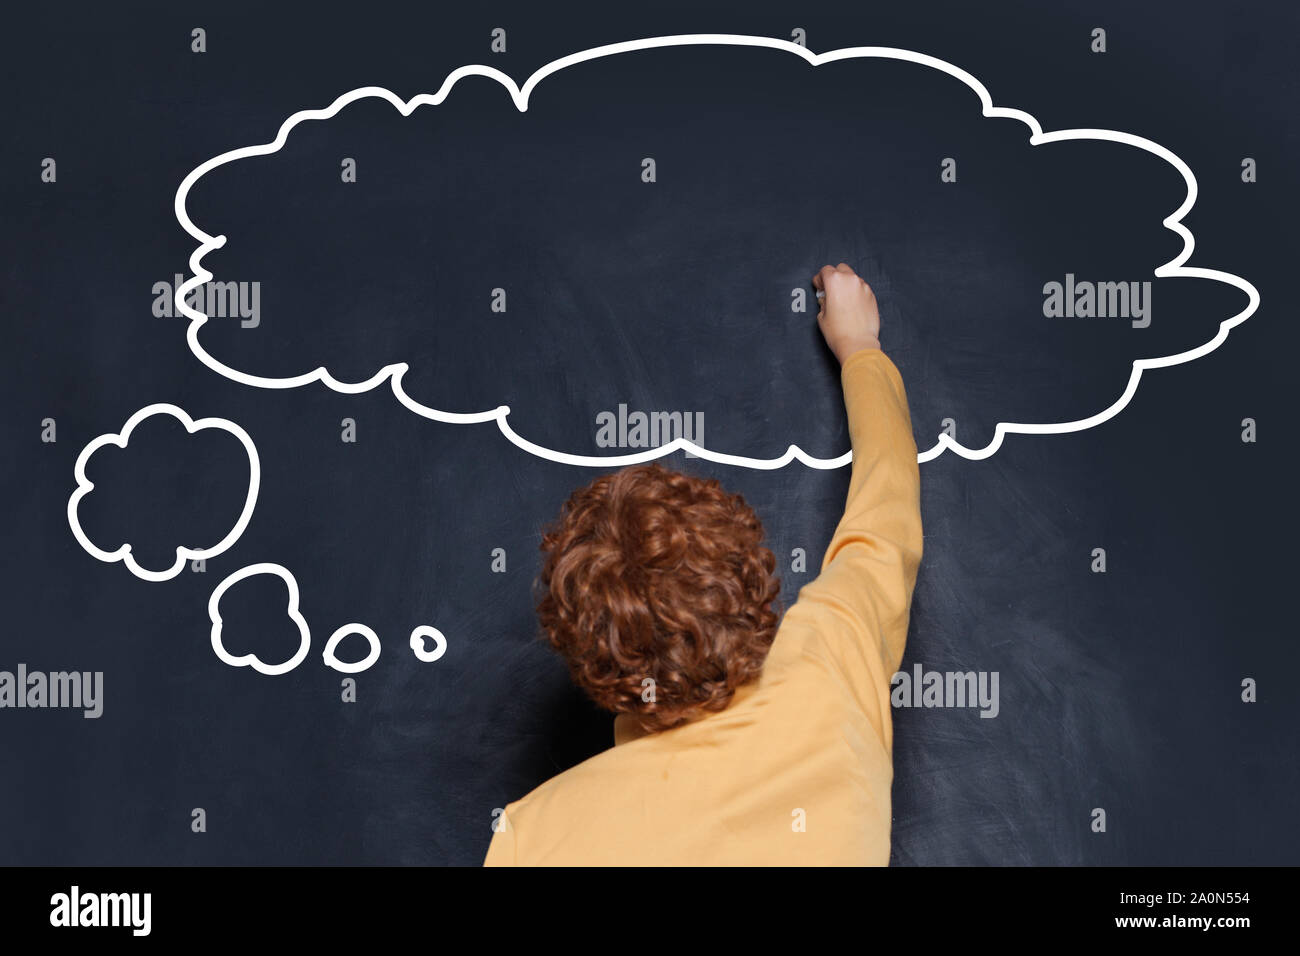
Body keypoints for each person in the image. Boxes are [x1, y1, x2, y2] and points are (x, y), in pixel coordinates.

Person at [484, 263, 923, 865]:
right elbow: (886, 515)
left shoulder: (531, 839)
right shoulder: (832, 666)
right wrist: (861, 350)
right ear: (748, 581)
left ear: (594, 668)